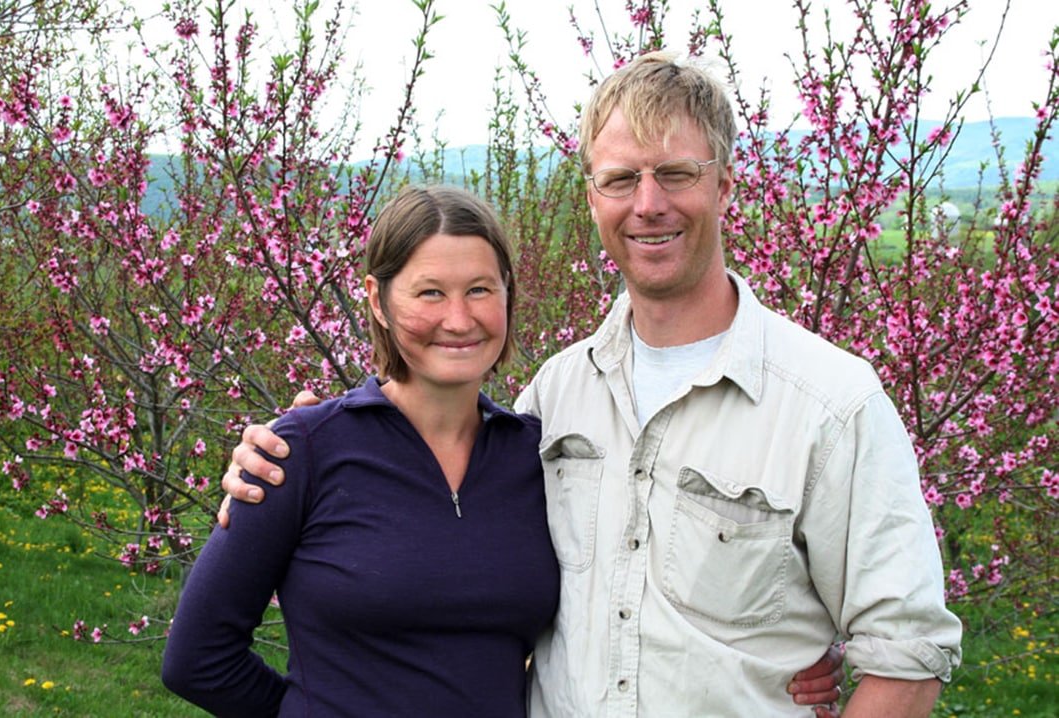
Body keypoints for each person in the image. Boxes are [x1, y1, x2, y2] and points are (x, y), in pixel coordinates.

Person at [221, 50, 964, 715]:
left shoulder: (829, 405)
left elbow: (906, 656)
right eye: (620, 179)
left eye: (675, 173)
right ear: (592, 198)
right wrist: (290, 456)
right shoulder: (556, 395)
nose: (648, 204)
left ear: (726, 186)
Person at [162, 185, 561, 717]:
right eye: (430, 293)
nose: (460, 319)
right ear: (377, 299)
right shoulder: (301, 451)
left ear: (508, 294)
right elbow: (197, 658)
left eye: (481, 290)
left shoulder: (536, 456)